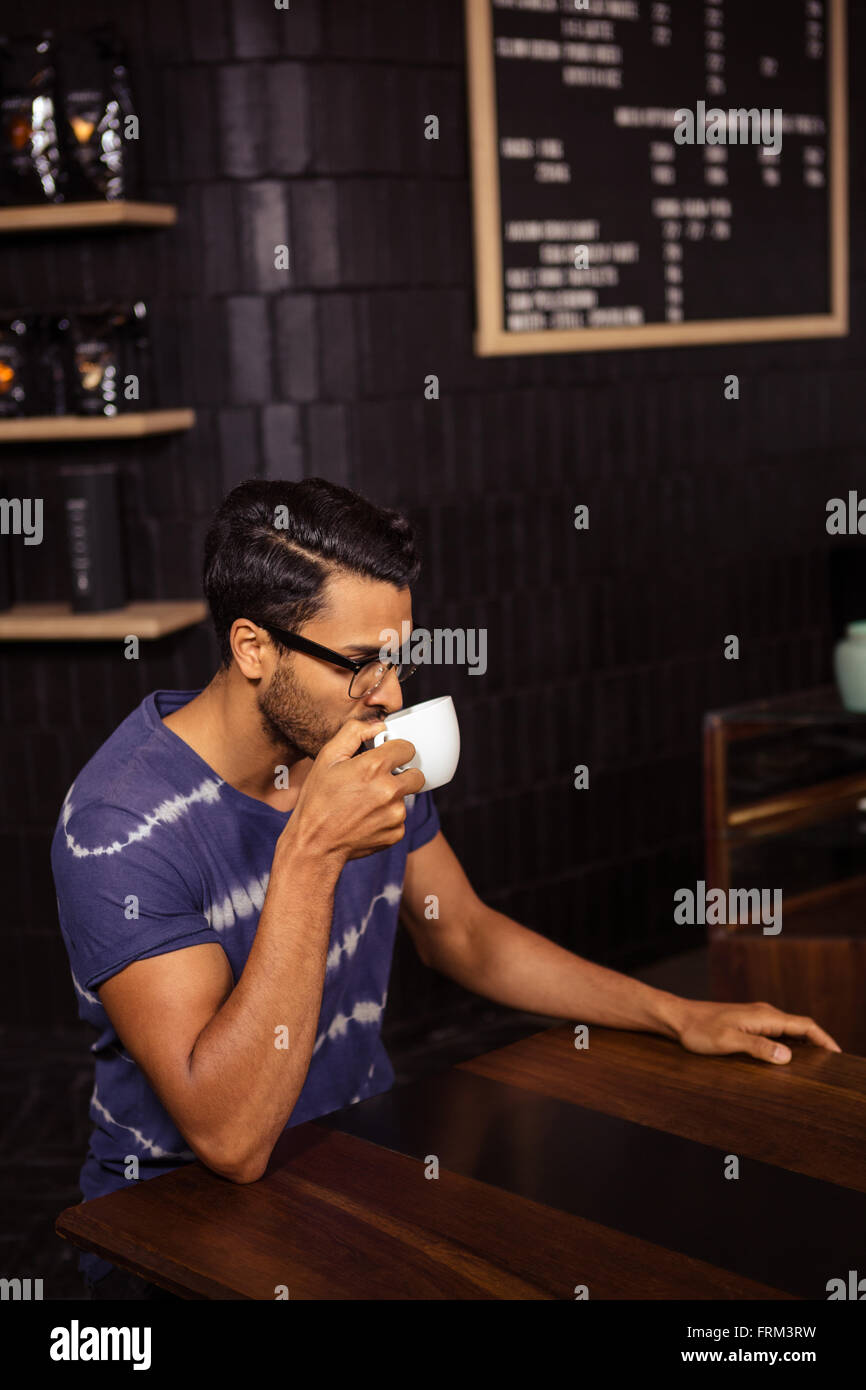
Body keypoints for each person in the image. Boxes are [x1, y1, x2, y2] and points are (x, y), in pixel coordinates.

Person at [52, 477, 841, 1299]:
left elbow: (461, 932)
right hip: (170, 1239)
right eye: (359, 664)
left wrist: (678, 1014)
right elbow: (229, 1138)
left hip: (354, 1166)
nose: (390, 695)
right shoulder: (119, 822)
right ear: (254, 648)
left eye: (396, 660)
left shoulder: (359, 744)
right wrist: (311, 853)